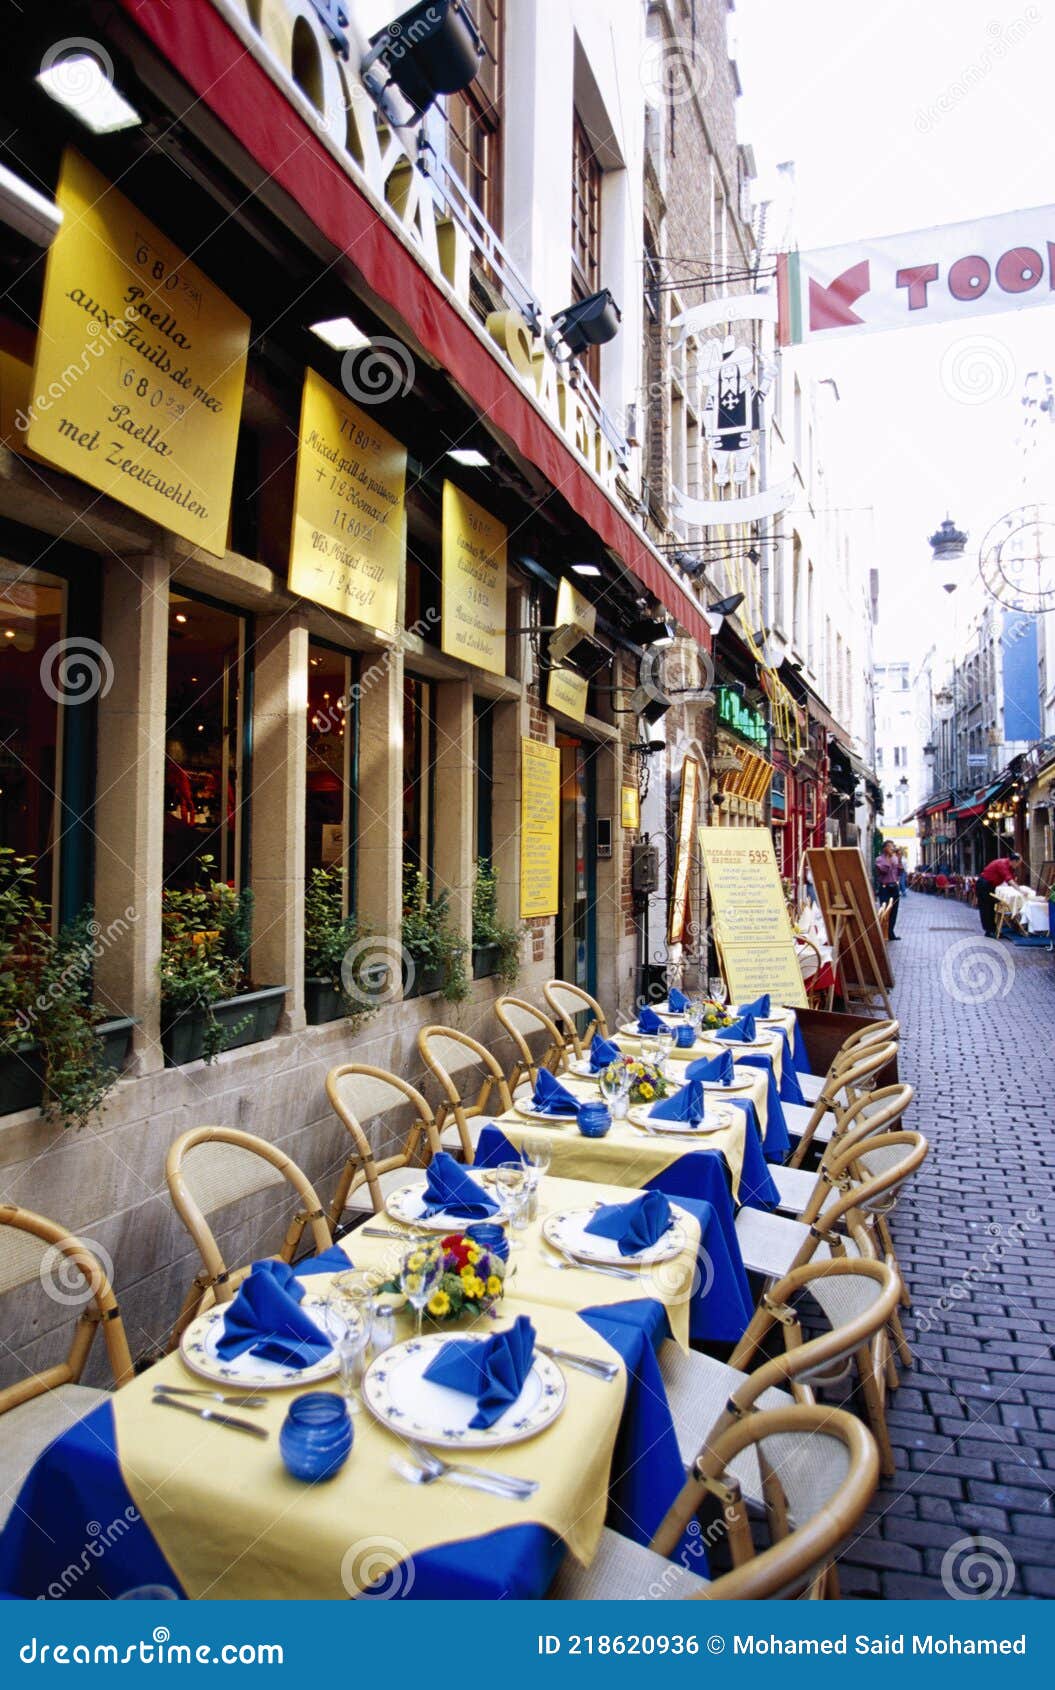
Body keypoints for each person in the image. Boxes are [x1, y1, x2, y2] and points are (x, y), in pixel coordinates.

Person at [976, 852, 1026, 939]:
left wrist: (1017, 886)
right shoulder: (1002, 864)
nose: (1018, 866)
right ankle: (989, 931)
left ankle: (994, 930)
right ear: (1014, 861)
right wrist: (1020, 891)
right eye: (1018, 863)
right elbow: (1009, 880)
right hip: (984, 884)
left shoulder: (1009, 866)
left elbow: (1012, 878)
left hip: (990, 885)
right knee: (986, 908)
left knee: (991, 907)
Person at [874, 840, 902, 940]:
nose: (892, 848)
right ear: (885, 848)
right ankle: (883, 933)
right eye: (890, 846)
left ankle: (891, 933)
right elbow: (884, 871)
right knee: (884, 910)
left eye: (893, 846)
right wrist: (889, 858)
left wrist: (899, 858)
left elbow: (899, 871)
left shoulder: (895, 858)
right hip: (884, 887)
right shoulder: (879, 859)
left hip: (894, 886)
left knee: (894, 911)